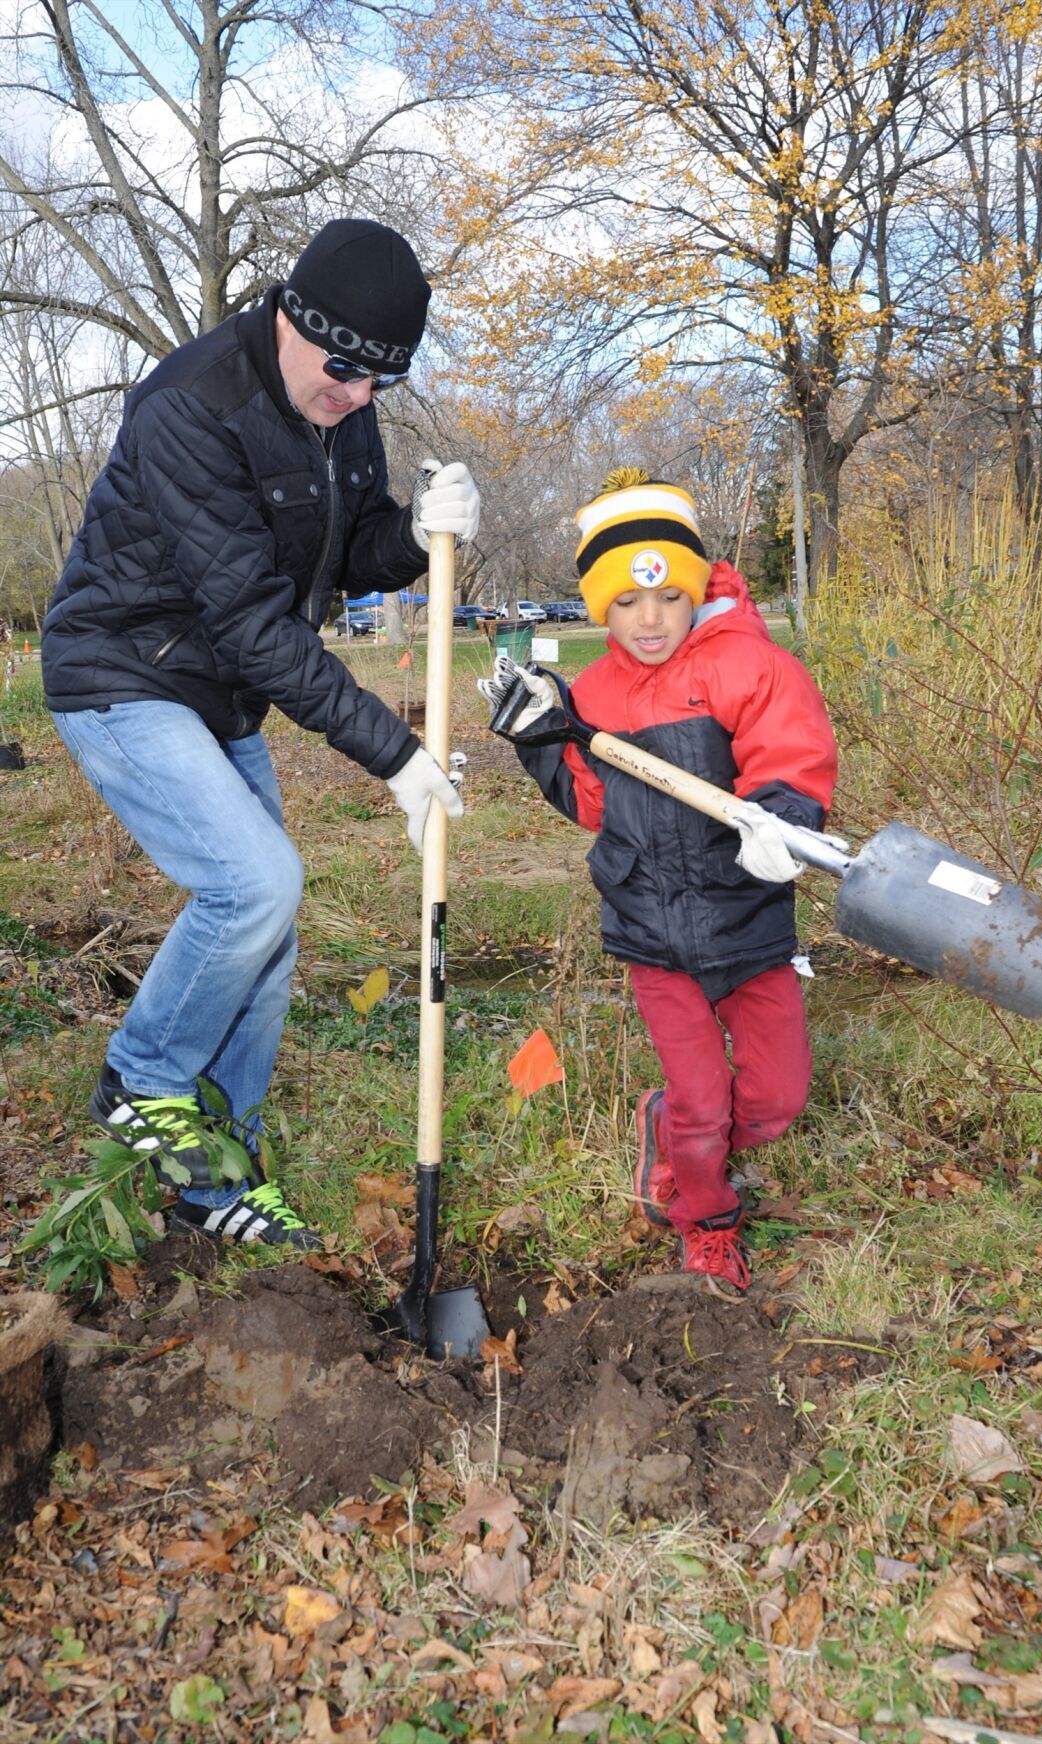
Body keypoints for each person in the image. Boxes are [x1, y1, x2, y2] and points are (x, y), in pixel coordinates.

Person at [41, 218, 477, 1249]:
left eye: (381, 381)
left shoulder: (343, 408)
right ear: (291, 316)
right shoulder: (192, 407)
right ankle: (145, 1083)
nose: (358, 396)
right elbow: (253, 619)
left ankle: (213, 1173)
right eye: (343, 370)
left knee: (264, 939)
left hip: (221, 688)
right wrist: (398, 754)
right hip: (121, 671)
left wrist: (415, 536)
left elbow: (344, 554)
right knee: (256, 882)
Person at [482, 467, 837, 1296]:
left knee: (778, 1099)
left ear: (695, 589)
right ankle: (705, 1220)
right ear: (602, 606)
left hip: (748, 923)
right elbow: (594, 802)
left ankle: (674, 1134)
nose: (650, 619)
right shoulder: (595, 694)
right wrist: (543, 746)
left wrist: (781, 817)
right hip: (652, 931)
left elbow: (792, 758)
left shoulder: (753, 668)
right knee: (703, 1101)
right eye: (628, 603)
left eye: (668, 598)